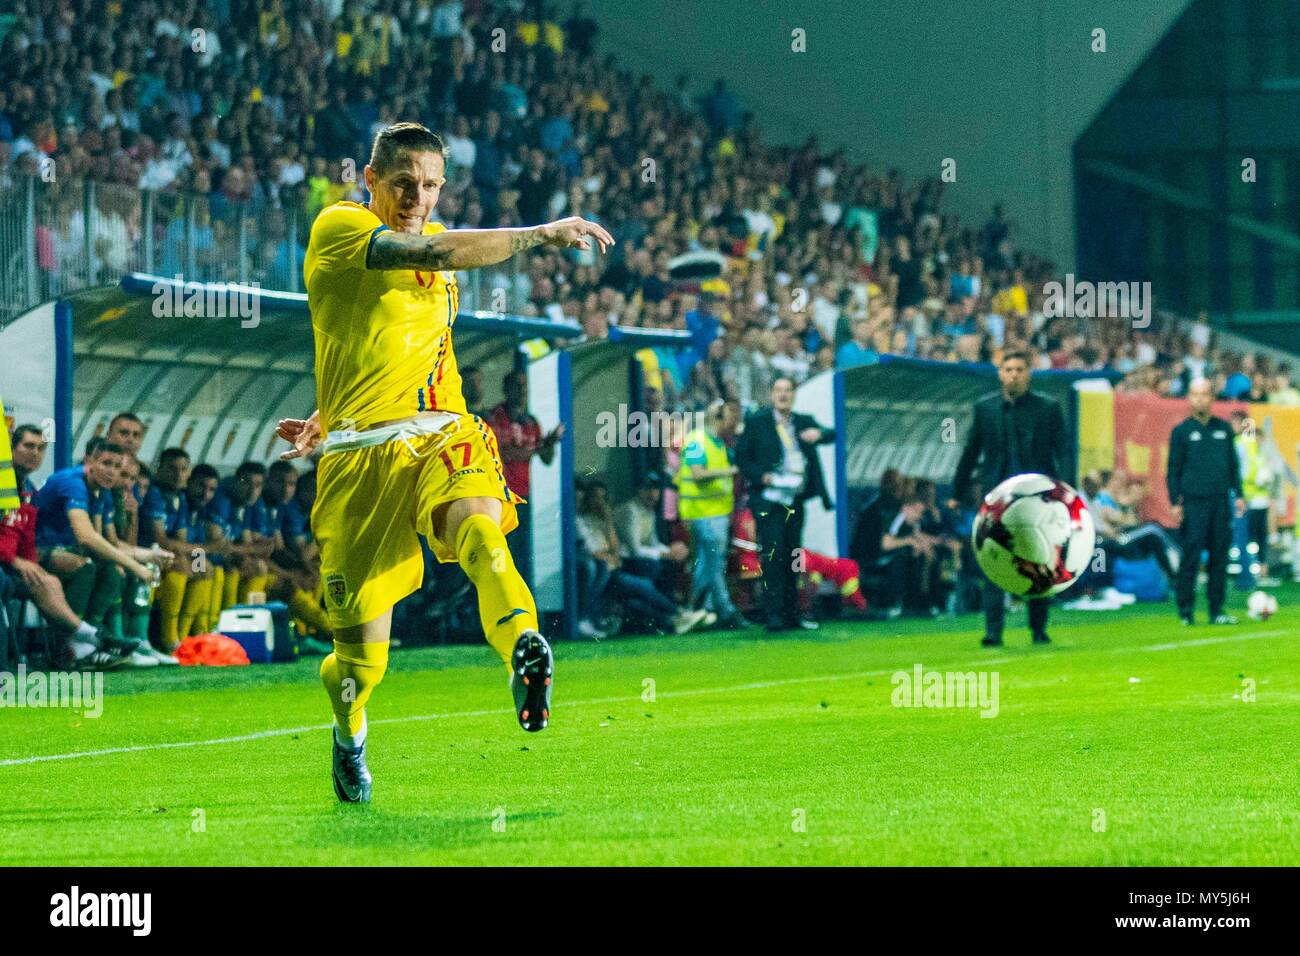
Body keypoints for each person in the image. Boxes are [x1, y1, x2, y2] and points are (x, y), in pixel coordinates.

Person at [274, 122, 614, 802]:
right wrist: (542, 233)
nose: (417, 197)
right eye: (404, 184)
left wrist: (327, 410)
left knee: (483, 535)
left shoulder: (434, 261)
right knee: (359, 664)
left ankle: (523, 651)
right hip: (359, 462)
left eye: (430, 185)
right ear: (370, 179)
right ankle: (349, 737)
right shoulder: (341, 227)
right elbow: (427, 253)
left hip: (442, 429)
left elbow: (399, 343)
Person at [952, 349, 1067, 647]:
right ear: (1000, 373)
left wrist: (1066, 491)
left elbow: (1064, 452)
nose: (1013, 374)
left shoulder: (1048, 408)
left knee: (1039, 560)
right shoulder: (985, 408)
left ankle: (1038, 628)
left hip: (1037, 498)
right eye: (1008, 369)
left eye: (1019, 369)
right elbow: (971, 452)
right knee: (994, 561)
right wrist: (957, 491)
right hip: (998, 499)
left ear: (1029, 373)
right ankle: (993, 631)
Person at [0, 425, 126, 669]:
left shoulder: (28, 488)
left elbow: (25, 537)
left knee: (55, 580)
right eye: (28, 446)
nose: (35, 453)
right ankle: (87, 638)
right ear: (11, 449)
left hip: (20, 560)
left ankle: (80, 643)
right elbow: (87, 538)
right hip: (19, 559)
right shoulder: (68, 482)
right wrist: (16, 561)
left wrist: (29, 563)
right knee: (85, 567)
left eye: (41, 448)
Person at [734, 377, 836, 632]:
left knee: (792, 554)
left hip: (794, 499)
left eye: (787, 390)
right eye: (778, 390)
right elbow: (742, 458)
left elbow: (833, 433)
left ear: (794, 394)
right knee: (773, 554)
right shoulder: (758, 422)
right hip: (769, 499)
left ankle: (793, 612)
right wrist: (762, 476)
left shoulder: (801, 421)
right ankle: (774, 614)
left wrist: (819, 433)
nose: (783, 395)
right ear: (771, 394)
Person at [1167, 378, 1245, 625]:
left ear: (1212, 398)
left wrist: (1239, 494)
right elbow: (1173, 470)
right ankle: (1186, 610)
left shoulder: (1223, 429)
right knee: (1190, 556)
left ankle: (1216, 609)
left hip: (1221, 502)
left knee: (1219, 557)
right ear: (1189, 398)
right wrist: (1175, 501)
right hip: (1193, 503)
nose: (1200, 399)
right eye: (1195, 394)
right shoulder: (1182, 432)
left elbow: (1233, 466)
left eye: (1204, 394)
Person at [487, 369, 564, 588]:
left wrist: (550, 443)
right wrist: (541, 447)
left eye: (524, 386)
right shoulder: (496, 417)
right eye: (516, 386)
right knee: (500, 552)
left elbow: (547, 459)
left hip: (523, 496)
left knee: (521, 553)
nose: (522, 391)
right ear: (505, 389)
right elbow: (505, 454)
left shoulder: (531, 421)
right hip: (499, 496)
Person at [674, 400, 745, 629]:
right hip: (702, 513)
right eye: (729, 416)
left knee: (707, 563)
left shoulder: (716, 443)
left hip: (715, 512)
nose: (732, 421)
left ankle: (696, 610)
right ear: (718, 417)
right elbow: (697, 474)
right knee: (714, 562)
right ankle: (725, 610)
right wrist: (730, 470)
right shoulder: (696, 441)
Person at [613, 473, 688, 599]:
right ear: (639, 490)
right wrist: (665, 554)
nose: (652, 494)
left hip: (639, 556)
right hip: (624, 559)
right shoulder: (630, 510)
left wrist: (671, 551)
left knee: (671, 562)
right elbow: (634, 550)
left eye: (656, 489)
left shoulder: (650, 511)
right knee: (654, 565)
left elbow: (652, 543)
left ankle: (670, 603)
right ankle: (668, 609)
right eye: (647, 489)